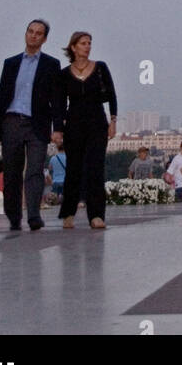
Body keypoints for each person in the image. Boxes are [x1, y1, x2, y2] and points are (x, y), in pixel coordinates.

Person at [0, 19, 63, 232]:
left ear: (44, 39)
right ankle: (14, 216)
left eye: (38, 33)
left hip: (37, 124)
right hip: (11, 122)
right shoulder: (10, 63)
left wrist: (58, 128)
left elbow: (57, 99)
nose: (33, 36)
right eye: (30, 31)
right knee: (12, 172)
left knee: (34, 171)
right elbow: (1, 96)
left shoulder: (51, 65)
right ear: (25, 34)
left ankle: (33, 215)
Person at [54, 31, 117, 230]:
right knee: (73, 169)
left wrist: (113, 120)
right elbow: (59, 103)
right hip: (74, 124)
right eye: (83, 43)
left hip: (97, 122)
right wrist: (59, 129)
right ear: (73, 47)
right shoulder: (64, 74)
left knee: (95, 168)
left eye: (89, 43)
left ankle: (96, 215)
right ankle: (68, 213)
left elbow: (112, 94)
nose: (87, 46)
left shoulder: (100, 68)